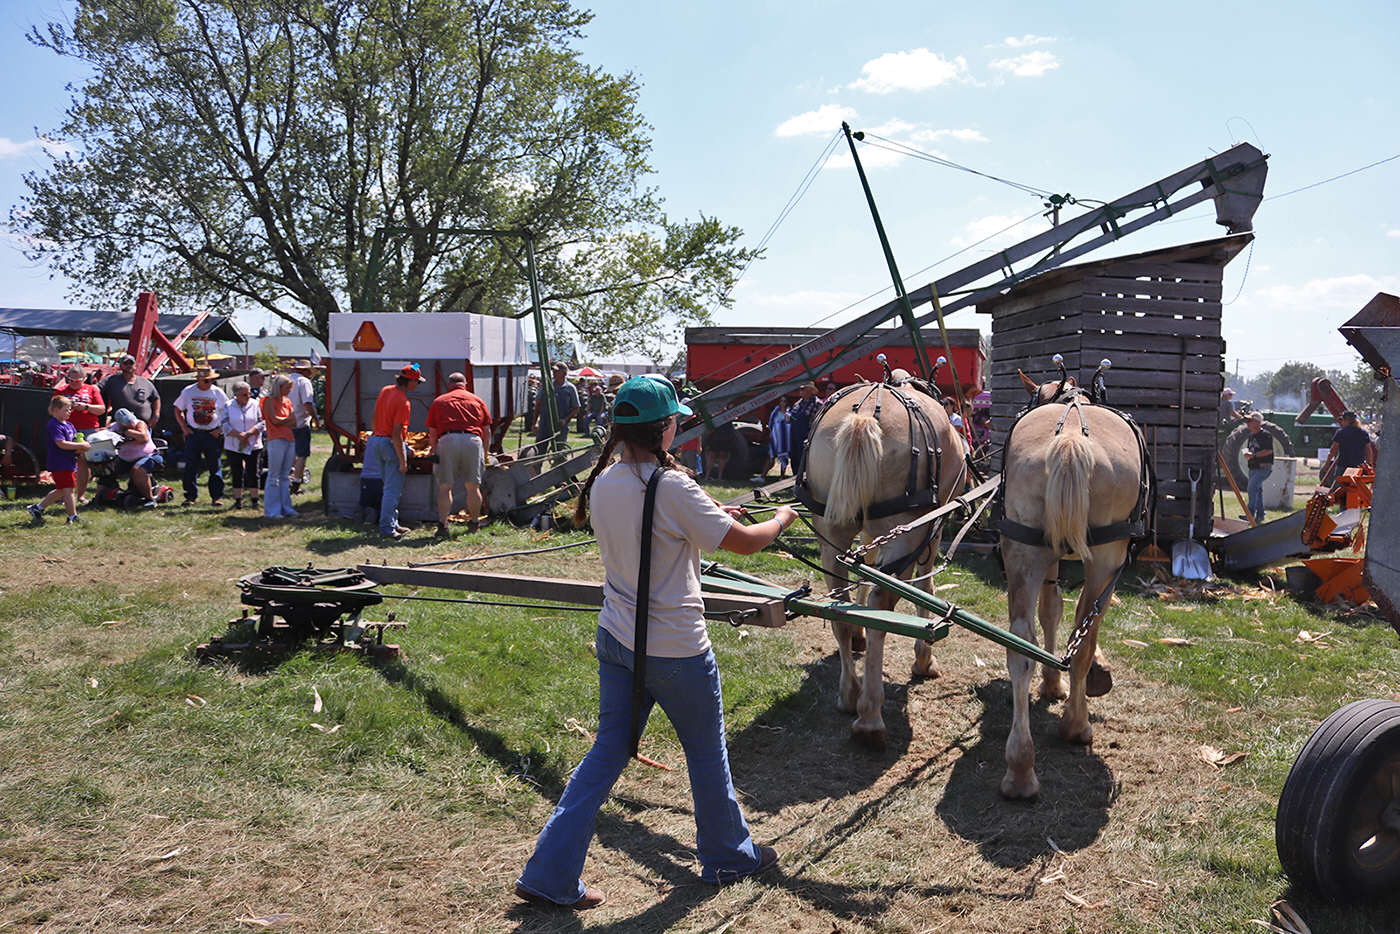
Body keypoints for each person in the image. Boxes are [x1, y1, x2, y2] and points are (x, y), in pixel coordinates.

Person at [515, 376, 796, 910]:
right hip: (677, 650)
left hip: (617, 638)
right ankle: (729, 857)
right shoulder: (672, 487)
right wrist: (781, 518)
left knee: (606, 753)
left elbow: (669, 527)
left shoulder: (605, 482)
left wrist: (710, 519)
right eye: (676, 421)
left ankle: (549, 873)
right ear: (664, 427)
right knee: (707, 754)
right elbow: (750, 545)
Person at [426, 372, 492, 536]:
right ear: (465, 384)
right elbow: (487, 430)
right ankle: (474, 524)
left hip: (447, 440)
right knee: (473, 486)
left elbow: (432, 433)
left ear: (449, 385)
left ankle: (443, 526)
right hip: (473, 440)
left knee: (445, 486)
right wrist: (485, 452)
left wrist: (434, 452)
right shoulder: (477, 400)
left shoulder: (439, 401)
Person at [367, 364, 421, 540]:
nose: (417, 386)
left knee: (388, 486)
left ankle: (393, 522)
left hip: (376, 441)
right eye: (417, 382)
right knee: (392, 490)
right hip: (390, 444)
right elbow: (397, 433)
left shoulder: (386, 390)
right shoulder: (404, 402)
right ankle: (387, 529)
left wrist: (378, 433)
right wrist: (403, 460)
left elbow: (374, 415)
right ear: (410, 381)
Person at [27, 395, 90, 524]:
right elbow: (61, 443)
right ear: (55, 410)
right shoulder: (54, 425)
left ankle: (37, 508)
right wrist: (80, 446)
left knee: (62, 490)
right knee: (68, 490)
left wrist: (81, 446)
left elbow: (72, 442)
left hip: (69, 461)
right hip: (60, 462)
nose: (69, 412)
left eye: (70, 410)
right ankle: (72, 517)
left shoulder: (69, 425)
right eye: (66, 410)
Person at [174, 366, 230, 505]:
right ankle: (190, 497)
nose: (208, 383)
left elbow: (228, 411)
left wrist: (220, 429)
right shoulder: (188, 392)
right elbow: (177, 409)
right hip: (194, 433)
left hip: (212, 434)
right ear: (198, 379)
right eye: (205, 380)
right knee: (191, 466)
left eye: (210, 380)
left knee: (214, 466)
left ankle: (217, 497)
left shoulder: (218, 393)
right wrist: (184, 427)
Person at [54, 364, 105, 504]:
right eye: (70, 380)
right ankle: (63, 494)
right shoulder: (60, 391)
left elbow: (101, 409)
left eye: (77, 380)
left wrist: (86, 407)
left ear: (84, 379)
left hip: (88, 429)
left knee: (84, 462)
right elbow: (52, 410)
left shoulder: (92, 389)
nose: (74, 383)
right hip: (66, 429)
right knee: (65, 463)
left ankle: (80, 495)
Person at [221, 380, 265, 509]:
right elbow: (224, 424)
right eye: (244, 395)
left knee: (253, 472)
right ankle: (238, 501)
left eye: (249, 394)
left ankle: (254, 500)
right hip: (234, 445)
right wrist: (239, 436)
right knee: (237, 472)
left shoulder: (255, 404)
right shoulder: (228, 405)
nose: (248, 397)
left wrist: (249, 434)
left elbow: (261, 422)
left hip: (253, 444)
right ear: (236, 395)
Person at [260, 374, 298, 519]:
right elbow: (274, 420)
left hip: (289, 438)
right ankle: (272, 510)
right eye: (287, 387)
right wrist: (286, 420)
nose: (289, 390)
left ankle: (286, 507)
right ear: (279, 387)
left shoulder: (287, 401)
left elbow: (293, 421)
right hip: (275, 439)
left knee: (285, 475)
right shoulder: (269, 401)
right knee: (273, 475)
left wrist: (284, 421)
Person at [109, 408, 161, 504]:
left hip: (149, 456)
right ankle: (106, 495)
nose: (130, 424)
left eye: (130, 421)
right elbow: (107, 432)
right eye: (126, 423)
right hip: (124, 459)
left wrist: (127, 432)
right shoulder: (115, 427)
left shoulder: (140, 424)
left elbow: (143, 438)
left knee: (137, 470)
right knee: (107, 469)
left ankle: (150, 499)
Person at [100, 353, 161, 428]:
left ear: (135, 365)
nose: (129, 365)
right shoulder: (111, 380)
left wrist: (156, 416)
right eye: (125, 363)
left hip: (144, 426)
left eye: (131, 363)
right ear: (121, 366)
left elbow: (156, 398)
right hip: (121, 426)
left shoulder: (145, 382)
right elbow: (97, 388)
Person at [534, 362, 581, 452]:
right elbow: (538, 404)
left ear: (564, 373)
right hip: (544, 424)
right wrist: (534, 422)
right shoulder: (546, 386)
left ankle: (560, 466)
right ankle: (536, 466)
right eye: (553, 371)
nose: (553, 373)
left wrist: (565, 419)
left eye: (556, 371)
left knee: (559, 452)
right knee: (539, 451)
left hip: (560, 426)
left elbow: (576, 408)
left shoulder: (570, 388)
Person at [288, 360, 318, 493]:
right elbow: (307, 404)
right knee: (302, 454)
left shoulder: (284, 380)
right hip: (300, 422)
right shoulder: (304, 382)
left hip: (284, 423)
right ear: (306, 371)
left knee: (289, 453)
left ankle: (288, 478)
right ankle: (296, 482)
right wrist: (316, 418)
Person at [1326, 409, 1377, 476]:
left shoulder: (1341, 432)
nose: (1342, 422)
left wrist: (1327, 464)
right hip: (1358, 467)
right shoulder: (1363, 433)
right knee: (1356, 485)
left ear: (1346, 421)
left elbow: (1333, 450)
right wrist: (1369, 464)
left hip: (1343, 466)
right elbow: (1368, 450)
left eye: (1342, 420)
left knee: (1340, 485)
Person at [1244, 413, 1274, 523]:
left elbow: (1269, 450)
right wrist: (1247, 453)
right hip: (1253, 467)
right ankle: (1260, 515)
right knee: (1257, 491)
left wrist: (1254, 455)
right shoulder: (1251, 435)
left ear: (1257, 422)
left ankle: (1250, 514)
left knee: (1252, 488)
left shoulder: (1266, 435)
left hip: (1263, 468)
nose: (1247, 423)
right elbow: (1249, 449)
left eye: (1250, 421)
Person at [788, 382, 819, 476]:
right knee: (794, 457)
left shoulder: (817, 403)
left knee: (805, 460)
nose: (800, 391)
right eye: (801, 389)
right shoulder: (798, 404)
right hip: (795, 435)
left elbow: (817, 422)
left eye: (803, 389)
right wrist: (789, 417)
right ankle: (795, 480)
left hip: (807, 437)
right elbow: (791, 416)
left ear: (810, 391)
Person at [768, 399, 790, 477]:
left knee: (784, 457)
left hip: (785, 438)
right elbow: (771, 423)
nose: (782, 403)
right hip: (775, 437)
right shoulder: (775, 412)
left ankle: (782, 476)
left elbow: (790, 423)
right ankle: (762, 476)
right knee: (771, 456)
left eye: (784, 401)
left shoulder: (789, 412)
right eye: (781, 401)